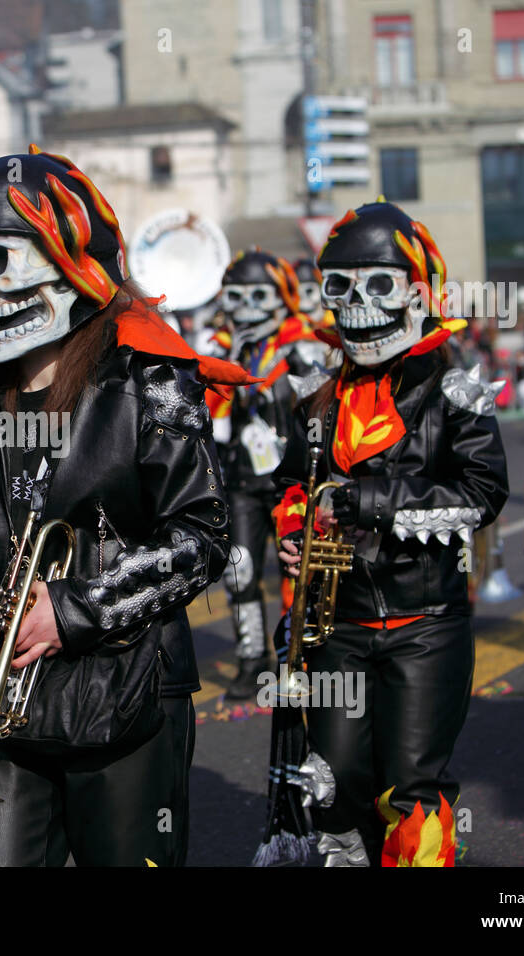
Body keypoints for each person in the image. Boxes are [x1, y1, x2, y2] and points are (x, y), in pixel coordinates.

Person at [0, 147, 252, 866]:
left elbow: (203, 535)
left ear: (71, 261)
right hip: (1, 703)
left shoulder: (150, 378)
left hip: (123, 691)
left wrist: (74, 609)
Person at [272, 200, 508, 866]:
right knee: (333, 783)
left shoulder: (456, 388)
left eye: (379, 284)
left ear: (417, 291)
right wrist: (295, 531)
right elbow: (294, 485)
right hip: (338, 624)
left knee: (410, 787)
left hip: (425, 622)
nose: (357, 304)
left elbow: (483, 494)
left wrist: (369, 501)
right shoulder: (315, 391)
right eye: (338, 286)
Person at [210, 248, 328, 700]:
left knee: (296, 571)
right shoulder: (224, 348)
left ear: (283, 298)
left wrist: (301, 364)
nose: (248, 308)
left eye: (259, 295)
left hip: (290, 482)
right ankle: (250, 659)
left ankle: (295, 656)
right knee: (239, 572)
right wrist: (227, 369)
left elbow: (320, 407)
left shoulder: (305, 343)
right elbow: (212, 419)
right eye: (236, 297)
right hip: (241, 481)